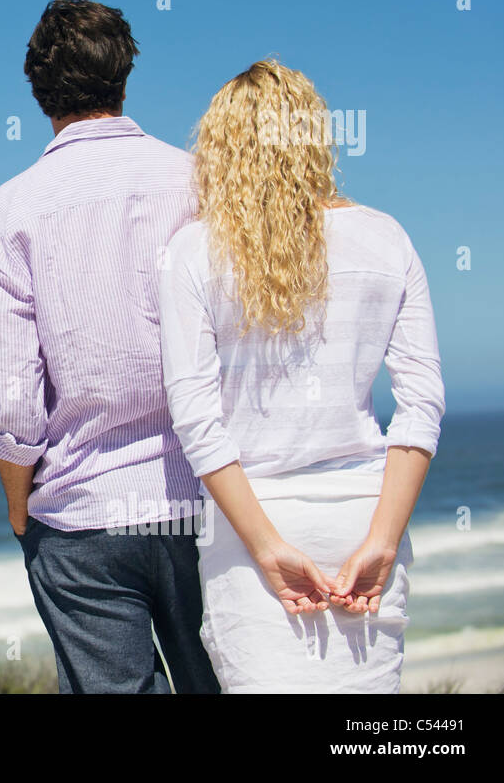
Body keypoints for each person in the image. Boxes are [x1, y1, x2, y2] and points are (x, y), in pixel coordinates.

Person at [157, 59, 444, 693]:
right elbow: (421, 405)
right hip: (367, 517)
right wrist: (385, 539)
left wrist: (265, 547)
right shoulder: (386, 238)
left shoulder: (192, 252)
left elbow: (197, 421)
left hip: (251, 523)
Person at [0, 0, 219, 693]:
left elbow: (13, 400)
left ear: (38, 88)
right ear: (123, 73)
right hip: (208, 499)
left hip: (83, 519)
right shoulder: (200, 181)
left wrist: (20, 510)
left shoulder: (8, 211)